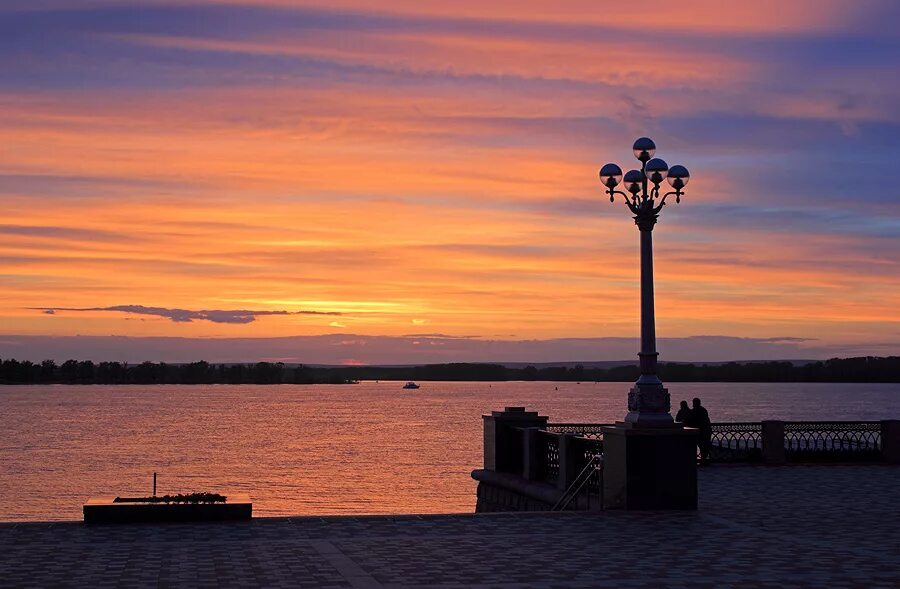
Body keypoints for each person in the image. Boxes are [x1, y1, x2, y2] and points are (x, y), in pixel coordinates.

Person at [691, 397, 712, 465]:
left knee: (702, 446)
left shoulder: (696, 410)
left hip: (701, 431)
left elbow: (695, 420)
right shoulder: (703, 410)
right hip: (706, 430)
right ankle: (704, 460)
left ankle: (703, 460)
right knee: (705, 446)